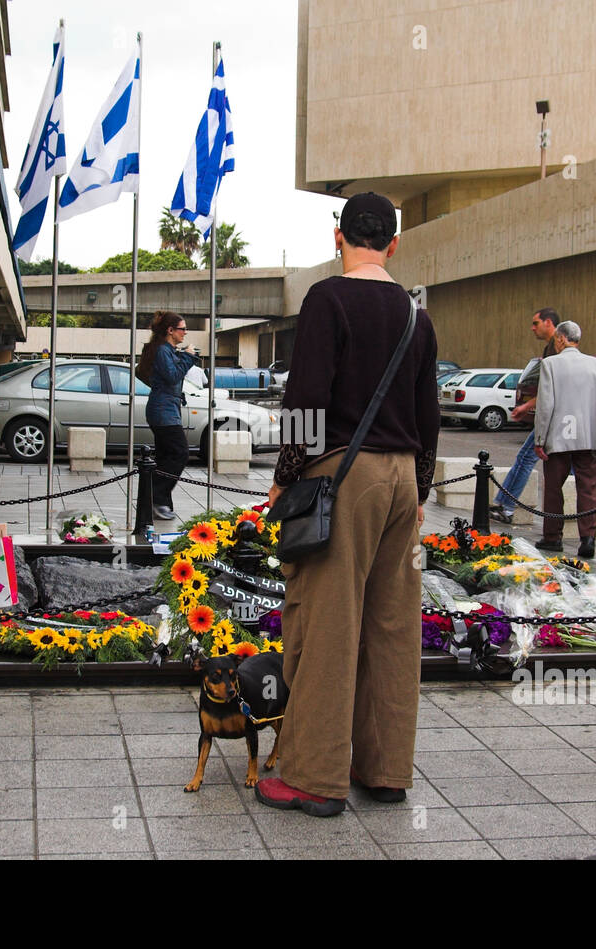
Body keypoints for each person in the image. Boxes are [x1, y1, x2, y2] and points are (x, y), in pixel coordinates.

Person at [256, 192, 440, 817]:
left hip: (342, 476)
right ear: (393, 243)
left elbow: (307, 399)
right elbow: (427, 412)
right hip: (401, 483)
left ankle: (315, 776)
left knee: (329, 623)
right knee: (393, 627)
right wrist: (419, 486)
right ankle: (385, 770)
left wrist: (286, 476)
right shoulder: (417, 314)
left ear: (339, 238)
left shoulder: (327, 300)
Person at [533, 320, 596, 558]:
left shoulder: (550, 364)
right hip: (589, 436)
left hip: (559, 436)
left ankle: (552, 537)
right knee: (588, 487)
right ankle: (587, 538)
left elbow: (546, 405)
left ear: (560, 339)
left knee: (553, 488)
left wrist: (540, 438)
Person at [488, 308, 561, 524]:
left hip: (552, 417)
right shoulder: (550, 349)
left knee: (526, 458)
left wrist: (527, 405)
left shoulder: (556, 348)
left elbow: (551, 388)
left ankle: (506, 506)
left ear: (549, 322)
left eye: (535, 323)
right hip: (555, 416)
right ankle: (505, 504)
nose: (532, 328)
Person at [138, 310, 199, 521]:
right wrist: (188, 356)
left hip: (167, 409)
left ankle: (158, 501)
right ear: (170, 330)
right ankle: (157, 497)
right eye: (182, 329)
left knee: (166, 456)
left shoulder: (167, 350)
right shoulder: (163, 350)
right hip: (162, 411)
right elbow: (172, 376)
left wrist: (183, 355)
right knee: (180, 452)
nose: (185, 333)